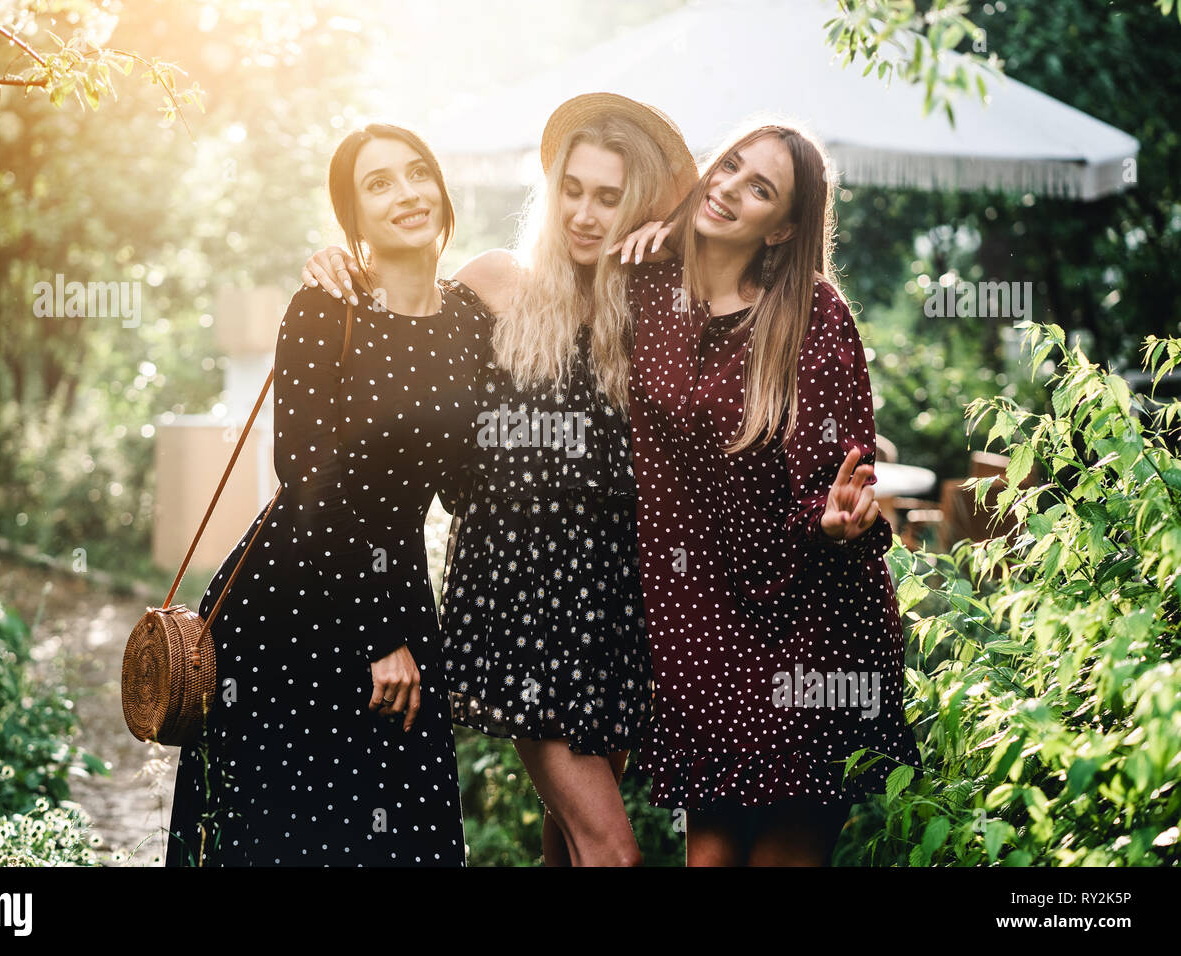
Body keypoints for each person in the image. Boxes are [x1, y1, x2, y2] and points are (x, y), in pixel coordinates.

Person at [301, 93, 698, 865]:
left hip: (615, 606)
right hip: (518, 597)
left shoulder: (652, 306)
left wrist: (673, 234)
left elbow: (751, 249)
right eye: (572, 190)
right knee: (612, 850)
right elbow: (397, 317)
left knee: (570, 842)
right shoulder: (491, 285)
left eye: (610, 198)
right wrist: (336, 261)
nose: (585, 213)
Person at [166, 123, 489, 866]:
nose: (407, 193)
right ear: (352, 216)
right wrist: (381, 636)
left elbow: (465, 481)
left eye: (417, 173)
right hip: (298, 596)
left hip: (401, 586)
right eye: (379, 183)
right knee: (293, 832)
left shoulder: (470, 318)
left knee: (406, 830)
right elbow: (304, 473)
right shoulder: (323, 309)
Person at [614, 120, 922, 866]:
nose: (726, 189)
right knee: (711, 858)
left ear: (782, 226)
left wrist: (836, 516)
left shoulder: (815, 319)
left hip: (807, 626)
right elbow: (535, 284)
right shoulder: (644, 291)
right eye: (728, 167)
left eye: (759, 189)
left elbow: (840, 482)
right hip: (699, 626)